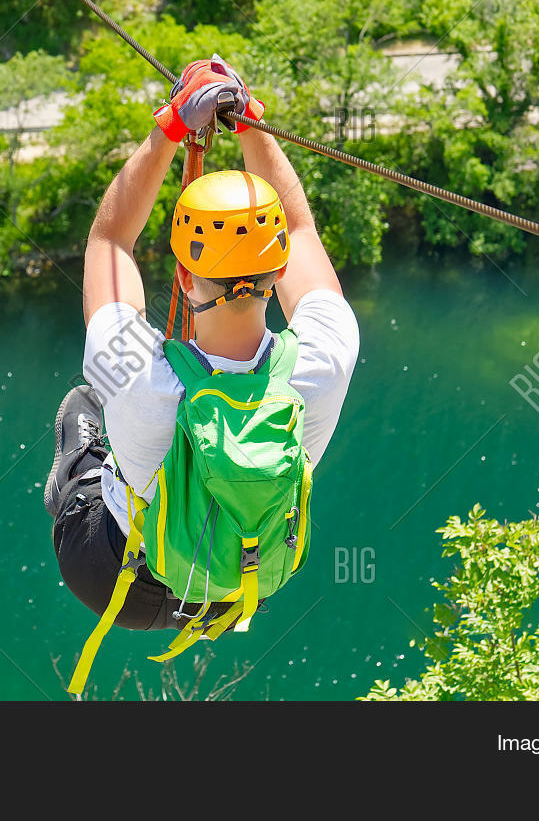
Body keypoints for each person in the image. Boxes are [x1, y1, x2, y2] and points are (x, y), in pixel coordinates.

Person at [45, 55, 360, 640]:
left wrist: (170, 126)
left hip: (116, 582)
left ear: (185, 279)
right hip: (243, 587)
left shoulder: (135, 373)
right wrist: (251, 122)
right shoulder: (327, 356)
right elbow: (300, 228)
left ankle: (82, 476)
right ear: (280, 270)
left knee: (84, 406)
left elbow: (110, 240)